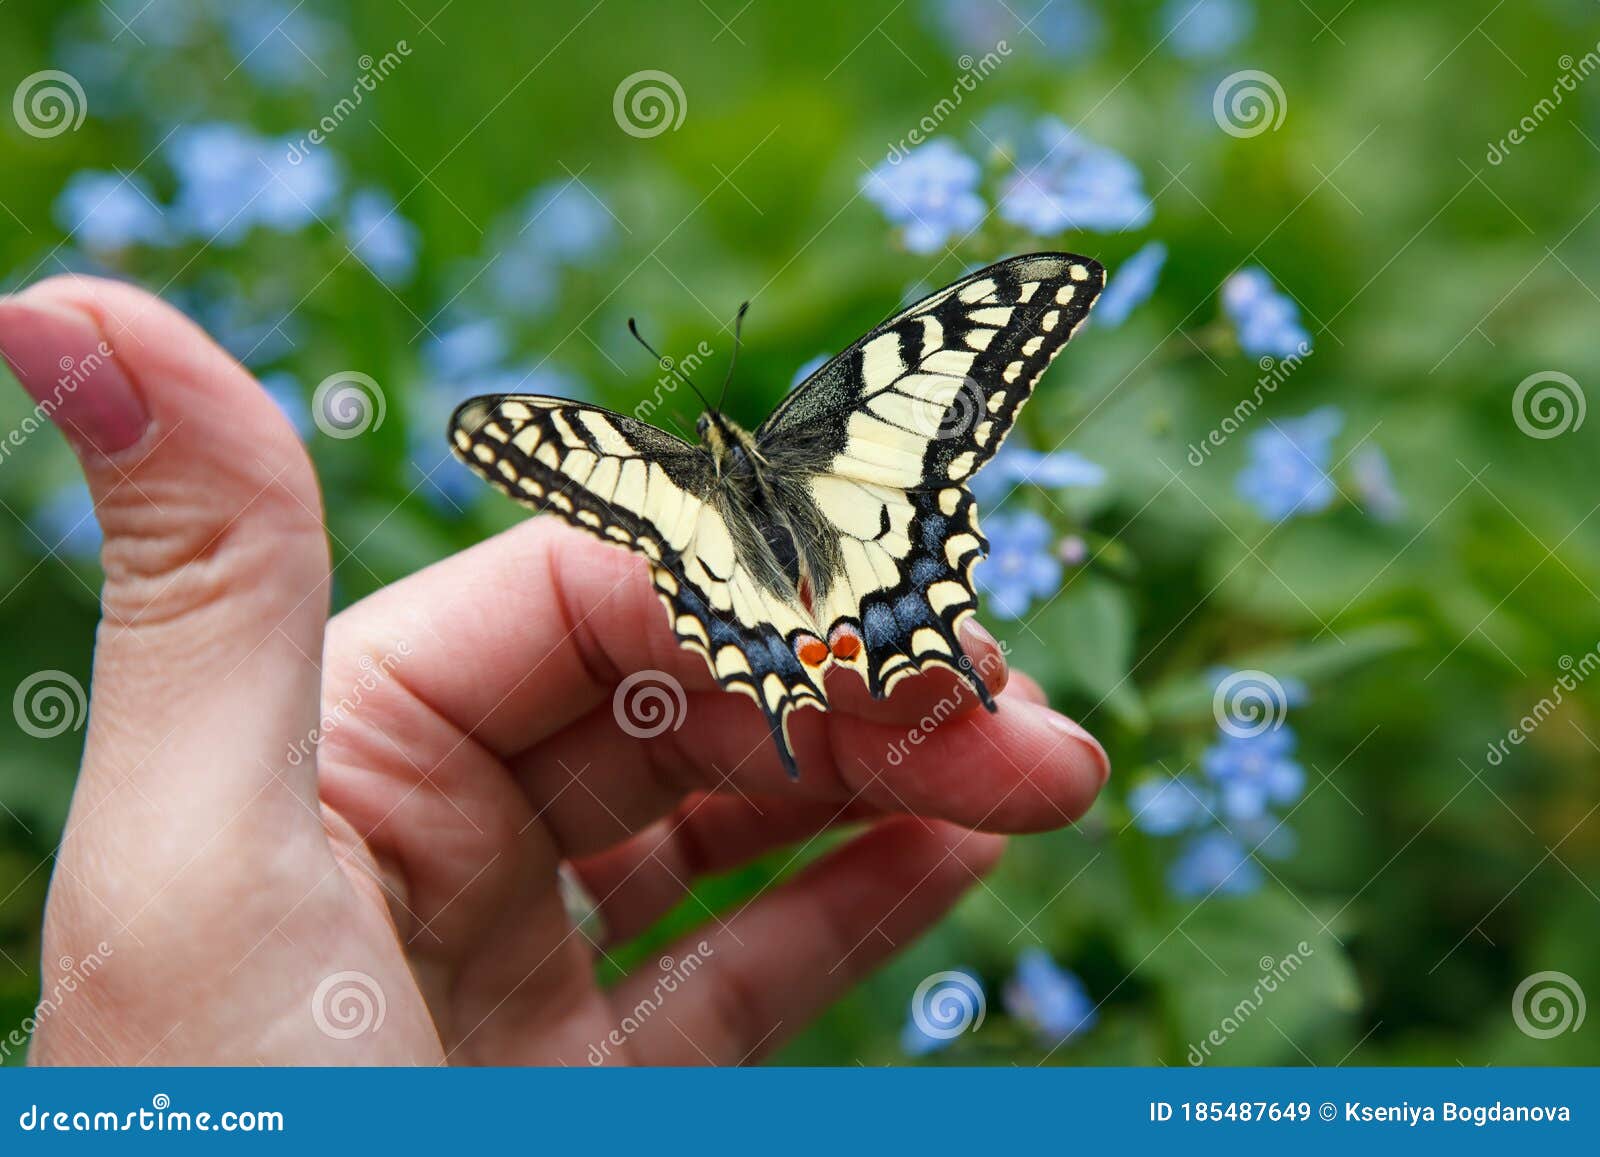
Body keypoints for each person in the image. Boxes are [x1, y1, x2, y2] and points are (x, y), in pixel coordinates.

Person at [0, 276, 1109, 1065]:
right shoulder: (688, 469)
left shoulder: (667, 469)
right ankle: (868, 630)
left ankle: (831, 644)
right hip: (863, 553)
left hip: (781, 579)